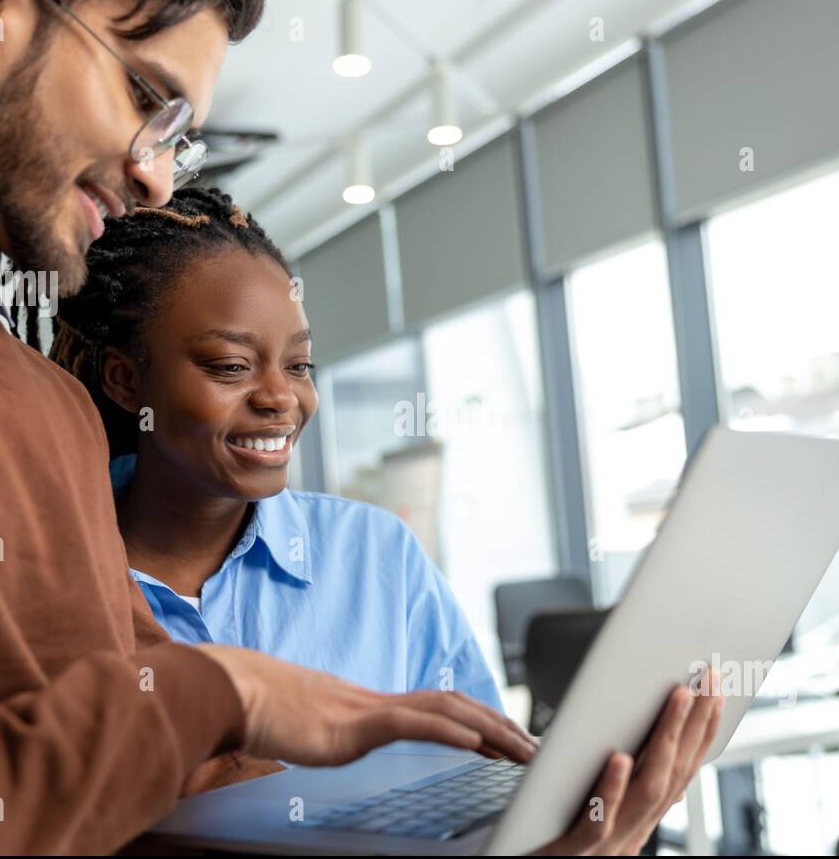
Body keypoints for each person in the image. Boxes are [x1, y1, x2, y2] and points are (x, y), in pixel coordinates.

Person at [0, 0, 721, 855]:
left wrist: (503, 838)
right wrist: (229, 690)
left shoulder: (51, 408)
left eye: (174, 134)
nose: (153, 177)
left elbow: (170, 777)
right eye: (144, 94)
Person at [50, 187, 504, 715]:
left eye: (299, 366)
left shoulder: (377, 555)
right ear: (126, 380)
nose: (281, 398)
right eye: (231, 366)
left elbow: (481, 768)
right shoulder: (47, 572)